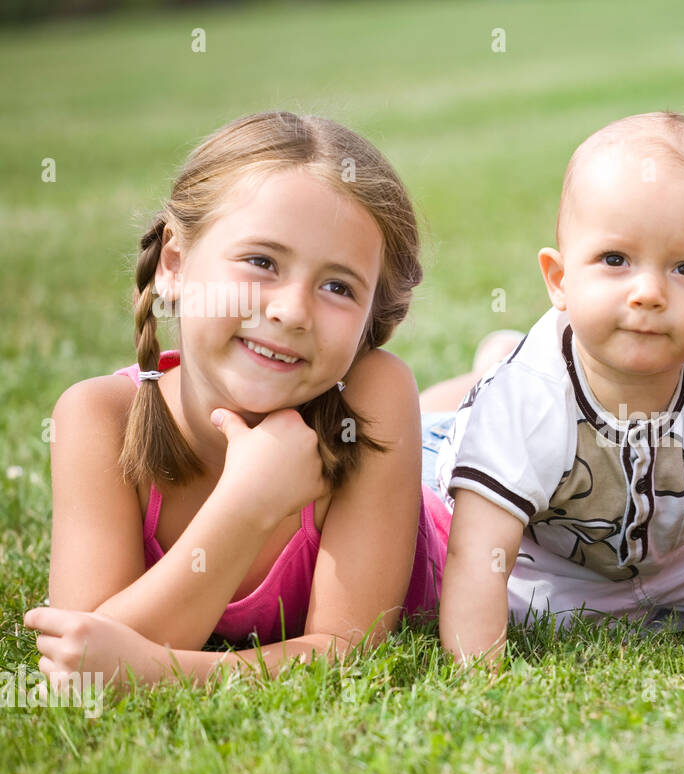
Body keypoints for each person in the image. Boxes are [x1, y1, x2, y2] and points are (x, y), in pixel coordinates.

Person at [28, 111, 449, 689]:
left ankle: (486, 372)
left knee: (459, 425)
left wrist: (159, 672)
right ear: (174, 264)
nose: (291, 311)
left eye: (337, 287)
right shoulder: (98, 418)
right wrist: (248, 501)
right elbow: (81, 650)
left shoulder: (371, 398)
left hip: (448, 477)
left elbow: (347, 649)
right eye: (261, 262)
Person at [425, 111, 684, 665]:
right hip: (542, 559)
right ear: (559, 280)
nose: (649, 292)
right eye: (615, 260)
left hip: (681, 555)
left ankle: (495, 355)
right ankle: (476, 378)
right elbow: (480, 551)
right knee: (433, 557)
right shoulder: (531, 395)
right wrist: (478, 678)